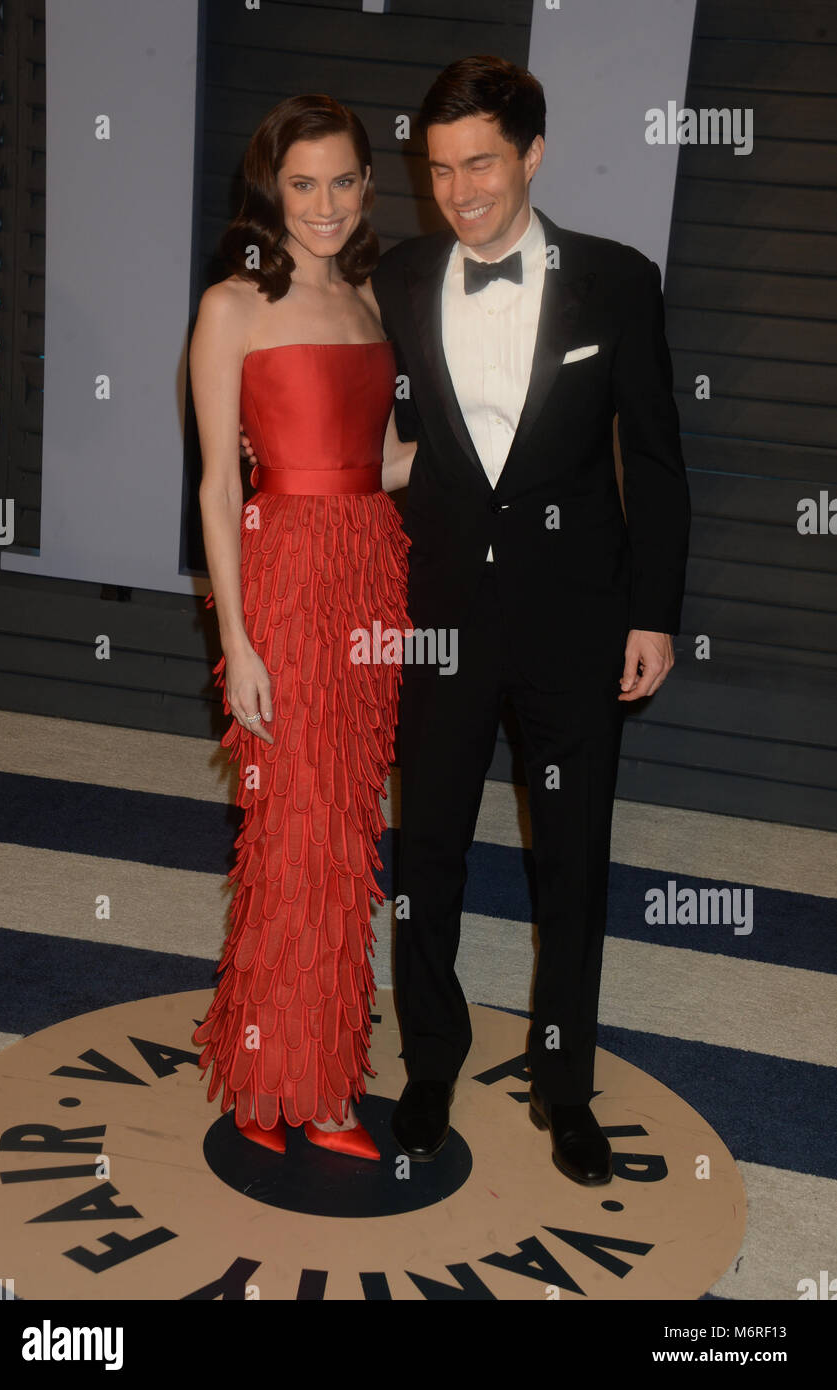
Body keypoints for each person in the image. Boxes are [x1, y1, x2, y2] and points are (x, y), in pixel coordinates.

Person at [368, 55, 692, 1185]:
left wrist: (654, 615)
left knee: (573, 862)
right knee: (431, 852)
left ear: (532, 155)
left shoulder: (616, 281)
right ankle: (428, 1067)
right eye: (440, 167)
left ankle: (563, 1086)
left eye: (482, 164)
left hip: (576, 617)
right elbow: (378, 438)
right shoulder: (399, 278)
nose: (459, 190)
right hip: (440, 614)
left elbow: (654, 462)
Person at [189, 93, 415, 1161]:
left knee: (345, 828)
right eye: (300, 183)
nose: (322, 204)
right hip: (281, 571)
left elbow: (386, 461)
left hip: (369, 573)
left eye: (341, 182)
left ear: (368, 187)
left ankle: (324, 1082)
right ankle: (264, 1074)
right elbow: (209, 484)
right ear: (269, 192)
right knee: (288, 831)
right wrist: (235, 640)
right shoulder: (232, 305)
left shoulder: (373, 297)